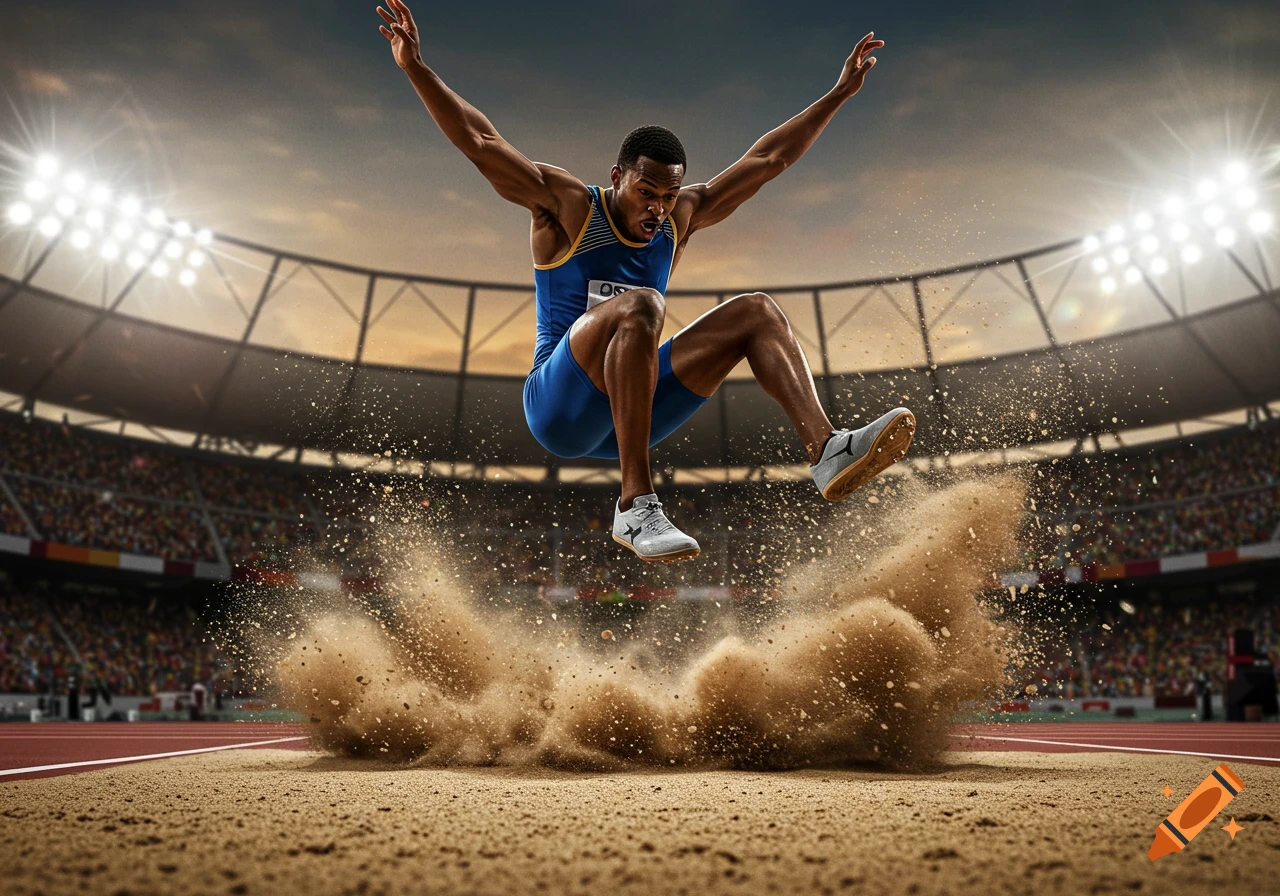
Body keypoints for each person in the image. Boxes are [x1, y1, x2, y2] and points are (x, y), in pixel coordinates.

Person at [378, 0, 915, 562]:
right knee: (641, 305)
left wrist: (838, 94)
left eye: (666, 196)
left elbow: (769, 158)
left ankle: (825, 448)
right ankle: (635, 507)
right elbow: (481, 141)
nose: (658, 208)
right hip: (559, 407)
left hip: (633, 411)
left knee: (757, 310)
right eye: (645, 192)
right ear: (618, 177)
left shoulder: (680, 216)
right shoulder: (565, 206)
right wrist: (415, 67)